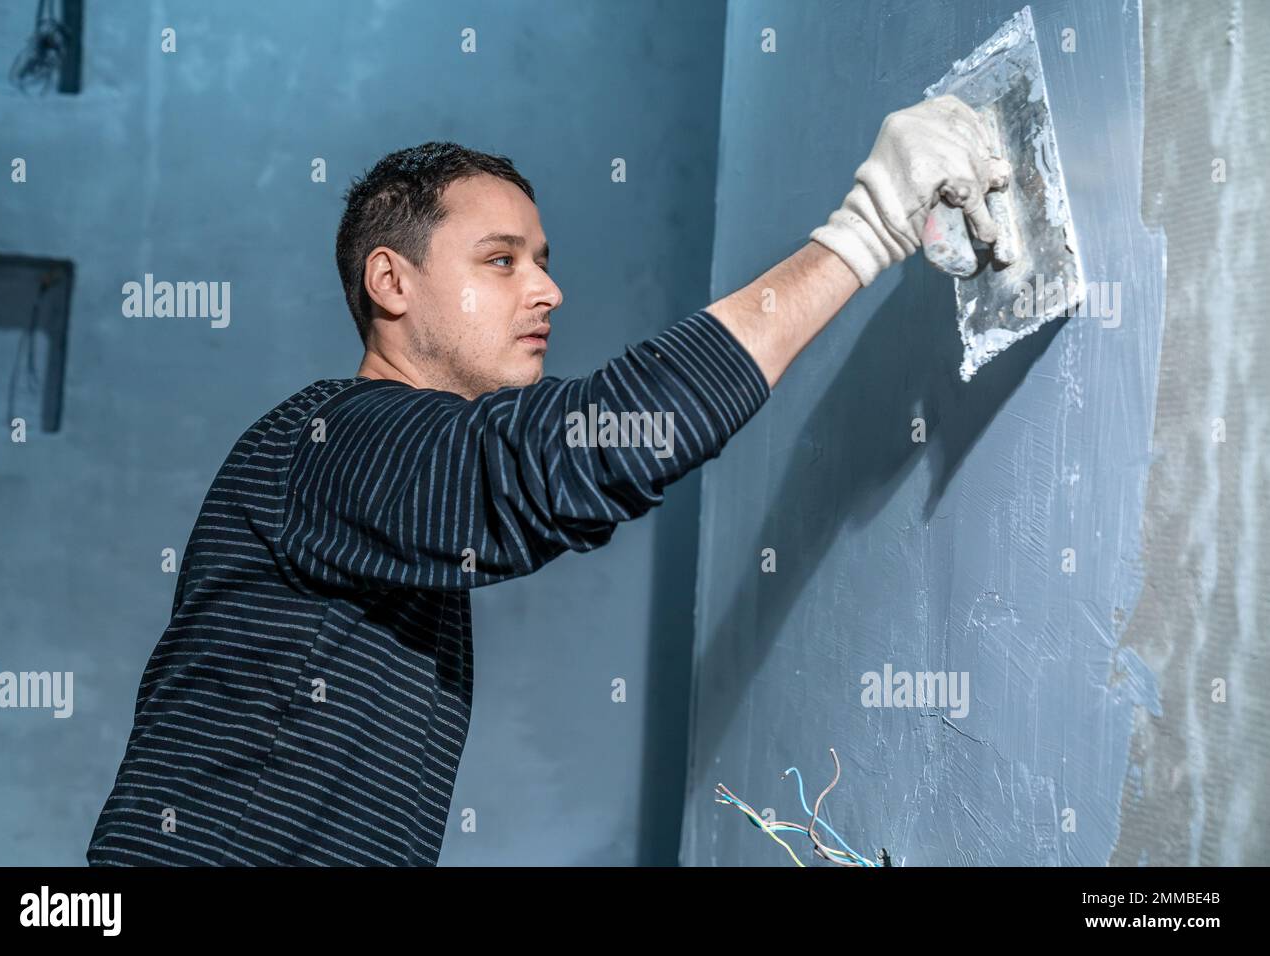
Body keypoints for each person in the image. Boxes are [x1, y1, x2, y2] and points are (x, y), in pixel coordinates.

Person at [87, 95, 1008, 866]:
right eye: (501, 260)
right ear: (390, 282)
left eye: (543, 262)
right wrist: (868, 224)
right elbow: (573, 455)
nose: (547, 291)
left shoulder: (382, 495)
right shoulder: (327, 441)